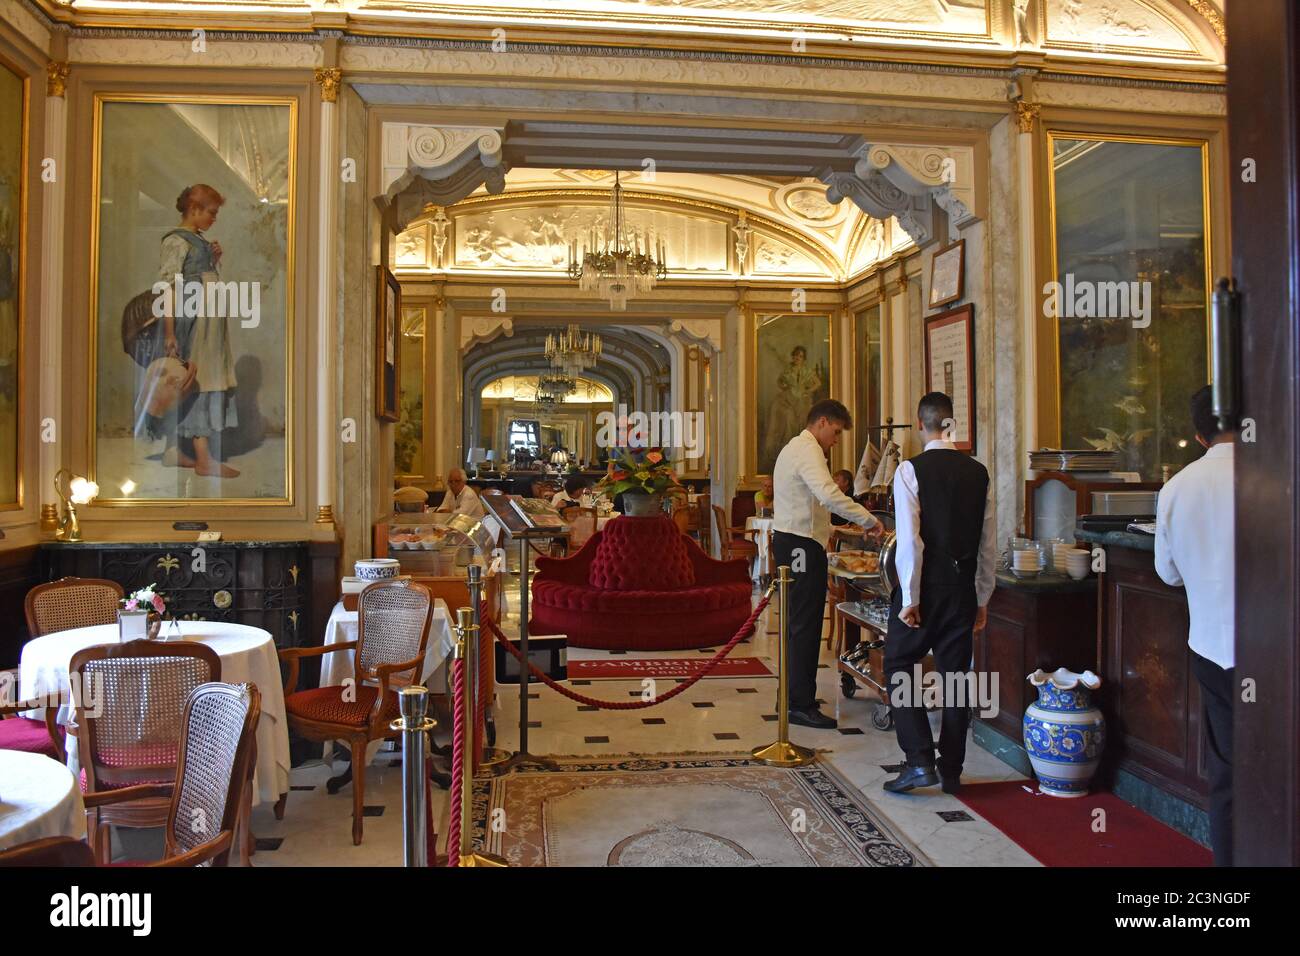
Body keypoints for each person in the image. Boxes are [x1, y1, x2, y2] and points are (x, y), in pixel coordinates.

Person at [883, 392, 996, 795]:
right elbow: (987, 542)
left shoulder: (910, 471)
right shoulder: (979, 472)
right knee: (956, 677)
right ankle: (951, 769)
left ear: (920, 424)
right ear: (952, 424)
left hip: (926, 588)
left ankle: (918, 762)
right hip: (962, 588)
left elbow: (911, 542)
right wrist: (982, 598)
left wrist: (910, 598)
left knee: (898, 663)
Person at [1155, 385, 1234, 865]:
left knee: (1226, 770)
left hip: (1210, 645)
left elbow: (1167, 572)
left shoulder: (1178, 487)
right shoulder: (1280, 475)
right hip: (1278, 653)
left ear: (1199, 434)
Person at [772, 399, 882, 729]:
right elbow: (828, 494)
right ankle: (799, 705)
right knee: (804, 627)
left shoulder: (796, 448)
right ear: (821, 422)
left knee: (799, 625)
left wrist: (832, 528)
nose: (835, 440)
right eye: (835, 432)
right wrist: (867, 520)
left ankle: (794, 696)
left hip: (795, 542)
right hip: (801, 548)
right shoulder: (808, 451)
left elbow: (805, 505)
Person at [151, 183, 240, 478]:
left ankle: (172, 452)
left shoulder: (197, 241)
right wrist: (170, 333)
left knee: (201, 379)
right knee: (199, 381)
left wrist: (212, 260)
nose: (214, 219)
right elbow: (169, 288)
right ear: (194, 209)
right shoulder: (176, 242)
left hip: (209, 319)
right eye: (211, 213)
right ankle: (204, 460)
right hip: (196, 321)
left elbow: (202, 278)